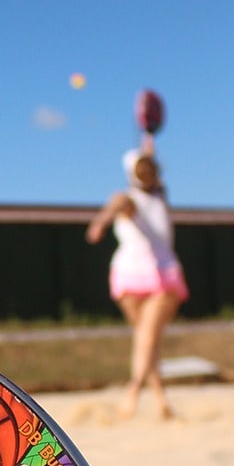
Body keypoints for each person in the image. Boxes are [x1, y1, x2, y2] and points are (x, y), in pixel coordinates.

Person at [86, 136, 188, 419]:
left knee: (146, 337)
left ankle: (132, 391)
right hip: (130, 275)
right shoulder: (129, 198)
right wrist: (102, 221)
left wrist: (149, 146)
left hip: (162, 276)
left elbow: (151, 171)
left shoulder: (159, 196)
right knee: (147, 341)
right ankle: (161, 400)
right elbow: (118, 202)